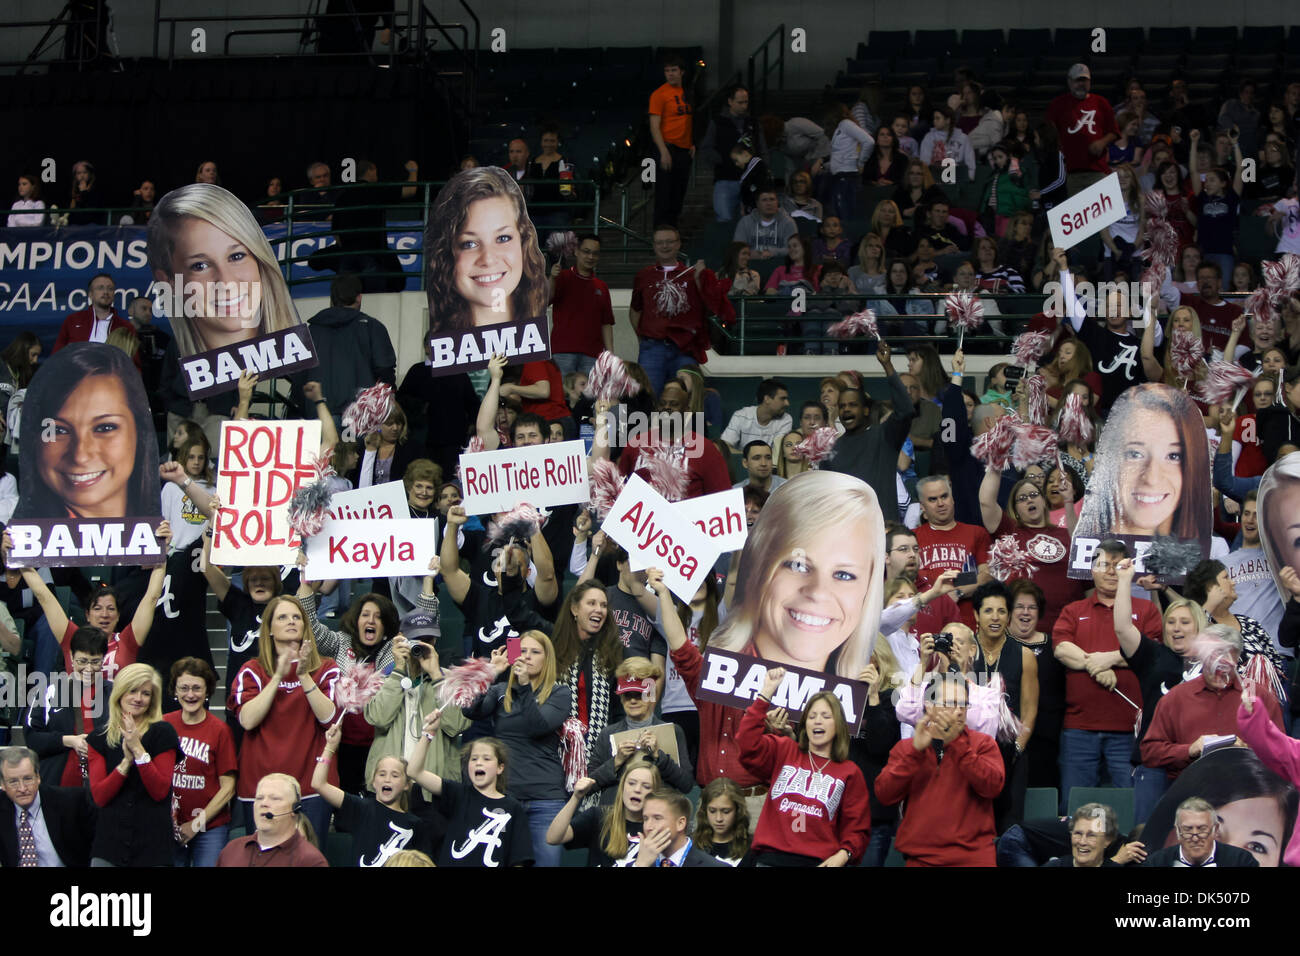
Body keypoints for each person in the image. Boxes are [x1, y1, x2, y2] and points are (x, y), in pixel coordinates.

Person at [706, 471, 885, 679]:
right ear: (760, 564)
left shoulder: (865, 695)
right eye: (798, 565)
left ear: (869, 588)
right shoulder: (711, 685)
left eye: (844, 575)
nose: (818, 592)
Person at [1053, 540, 1162, 810]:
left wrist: (1107, 660)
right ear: (1092, 569)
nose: (1111, 571)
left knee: (1131, 805)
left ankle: (1128, 853)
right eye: (1104, 564)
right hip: (1079, 729)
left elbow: (1151, 653)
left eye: (1119, 565)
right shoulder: (1073, 611)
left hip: (1129, 730)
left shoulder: (1146, 610)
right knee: (1076, 805)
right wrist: (1098, 666)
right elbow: (1062, 649)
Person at [147, 184, 307, 358]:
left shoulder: (306, 359)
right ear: (168, 281)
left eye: (236, 256)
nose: (226, 282)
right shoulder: (175, 370)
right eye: (200, 266)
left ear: (260, 259)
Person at [228, 595, 340, 840]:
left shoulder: (326, 668)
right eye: (283, 617)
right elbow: (247, 720)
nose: (291, 622)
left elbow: (330, 718)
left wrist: (303, 675)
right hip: (260, 786)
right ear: (268, 629)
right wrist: (278, 674)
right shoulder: (252, 670)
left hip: (312, 787)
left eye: (297, 617)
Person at [736, 668, 871, 866]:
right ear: (805, 724)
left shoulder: (849, 772)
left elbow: (857, 828)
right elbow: (746, 743)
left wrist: (844, 854)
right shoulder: (784, 750)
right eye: (812, 716)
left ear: (838, 725)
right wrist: (766, 694)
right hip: (770, 858)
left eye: (826, 716)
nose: (818, 720)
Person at [13, 342, 159, 523]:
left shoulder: (159, 533)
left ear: (140, 434)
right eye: (58, 430)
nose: (80, 455)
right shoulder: (20, 541)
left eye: (105, 428)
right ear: (35, 440)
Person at [463, 631, 571, 867]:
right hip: (504, 796)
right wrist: (490, 672)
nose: (528, 657)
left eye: (535, 652)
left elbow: (537, 726)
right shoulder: (501, 690)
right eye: (522, 651)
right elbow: (470, 710)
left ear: (547, 658)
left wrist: (524, 687)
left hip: (545, 800)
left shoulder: (559, 693)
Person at [875, 672, 1005, 865]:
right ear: (929, 705)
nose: (959, 711)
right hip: (921, 858)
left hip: (973, 857)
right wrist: (914, 752)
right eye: (951, 703)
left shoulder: (982, 744)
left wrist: (959, 745)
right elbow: (885, 794)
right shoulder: (908, 748)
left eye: (964, 704)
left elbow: (993, 786)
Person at [1141, 624, 1284, 781]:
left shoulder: (1258, 696)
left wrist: (1248, 750)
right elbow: (1149, 752)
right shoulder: (1176, 698)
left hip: (1246, 786)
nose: (1217, 670)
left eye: (1224, 661)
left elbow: (1281, 751)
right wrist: (1190, 750)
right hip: (1192, 788)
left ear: (1237, 658)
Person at [1074, 383, 1211, 541]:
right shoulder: (1078, 517)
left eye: (1173, 456)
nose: (1152, 478)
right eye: (1135, 454)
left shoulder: (1208, 548)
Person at [423, 166, 549, 334]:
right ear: (445, 254)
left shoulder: (539, 354)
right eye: (469, 244)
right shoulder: (443, 346)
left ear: (524, 242)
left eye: (503, 238)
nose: (488, 258)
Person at [364, 609, 469, 799]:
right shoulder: (383, 677)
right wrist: (397, 671)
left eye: (427, 640)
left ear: (435, 642)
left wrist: (437, 677)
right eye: (415, 639)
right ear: (401, 639)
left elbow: (456, 726)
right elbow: (378, 718)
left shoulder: (451, 680)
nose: (420, 646)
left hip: (433, 788)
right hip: (389, 788)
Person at [84, 663, 180, 867]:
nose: (138, 698)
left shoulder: (163, 733)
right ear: (119, 693)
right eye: (132, 691)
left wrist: (138, 750)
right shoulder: (99, 739)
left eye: (145, 693)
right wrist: (126, 763)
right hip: (109, 847)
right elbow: (100, 797)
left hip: (153, 848)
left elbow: (160, 790)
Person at [406, 721, 534, 867]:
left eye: (486, 758)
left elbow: (519, 859)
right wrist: (428, 734)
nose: (479, 763)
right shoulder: (457, 793)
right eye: (474, 759)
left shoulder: (513, 808)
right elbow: (414, 771)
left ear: (500, 767)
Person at [629, 224, 730, 395]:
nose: (665, 246)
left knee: (689, 398)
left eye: (669, 241)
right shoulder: (643, 275)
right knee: (648, 398)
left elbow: (710, 309)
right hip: (652, 349)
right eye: (660, 242)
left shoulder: (693, 274)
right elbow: (635, 311)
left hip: (684, 349)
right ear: (653, 246)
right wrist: (644, 339)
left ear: (678, 244)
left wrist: (701, 280)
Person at [312, 721, 431, 866]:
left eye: (395, 775)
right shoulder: (361, 807)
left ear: (406, 784)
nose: (387, 779)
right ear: (373, 782)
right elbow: (318, 784)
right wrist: (330, 747)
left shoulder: (415, 824)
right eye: (382, 774)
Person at [819, 343, 915, 515]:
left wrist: (888, 366)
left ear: (865, 410)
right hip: (850, 532)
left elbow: (906, 409)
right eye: (842, 406)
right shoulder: (831, 450)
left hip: (884, 528)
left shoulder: (885, 435)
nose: (846, 409)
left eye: (852, 405)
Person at [587, 657, 693, 803]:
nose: (633, 700)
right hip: (616, 817)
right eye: (627, 695)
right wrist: (616, 761)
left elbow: (686, 784)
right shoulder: (607, 734)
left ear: (651, 693)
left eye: (638, 694)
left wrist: (658, 755)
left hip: (657, 817)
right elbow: (588, 785)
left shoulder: (673, 731)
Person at [164, 658, 237, 867]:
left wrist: (196, 824)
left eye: (197, 688)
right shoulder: (164, 724)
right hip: (170, 825)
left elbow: (229, 787)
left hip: (210, 827)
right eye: (184, 688)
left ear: (207, 692)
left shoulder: (220, 730)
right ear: (175, 691)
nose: (190, 694)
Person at [293, 273, 395, 422]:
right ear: (359, 297)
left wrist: (307, 409)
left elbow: (298, 379)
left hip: (318, 415)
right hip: (361, 418)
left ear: (332, 299)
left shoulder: (310, 332)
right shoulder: (373, 327)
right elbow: (385, 373)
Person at [546, 756, 661, 866]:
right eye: (631, 783)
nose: (637, 790)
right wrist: (576, 797)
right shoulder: (598, 816)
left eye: (646, 786)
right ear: (622, 787)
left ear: (655, 793)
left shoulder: (659, 828)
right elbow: (553, 838)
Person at [0, 745, 96, 867]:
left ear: (38, 777)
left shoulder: (70, 802)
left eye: (28, 779)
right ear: (2, 784)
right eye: (13, 782)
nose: (22, 788)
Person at [215, 773, 327, 867]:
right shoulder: (232, 849)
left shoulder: (310, 860)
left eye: (275, 798)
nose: (263, 804)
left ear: (295, 808)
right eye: (259, 798)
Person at [1045, 64, 1119, 195]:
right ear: (1069, 81)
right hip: (1070, 172)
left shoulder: (1101, 102)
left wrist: (1102, 142)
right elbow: (1048, 131)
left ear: (1089, 81)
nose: (1081, 84)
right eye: (1077, 80)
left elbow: (1114, 131)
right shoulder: (1058, 104)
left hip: (1098, 170)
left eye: (1084, 80)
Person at [548, 235, 615, 375]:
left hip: (593, 354)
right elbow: (546, 300)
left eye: (595, 253)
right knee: (563, 395)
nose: (590, 256)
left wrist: (610, 354)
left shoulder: (602, 286)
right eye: (586, 251)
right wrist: (552, 278)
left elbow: (606, 323)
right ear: (576, 251)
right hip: (563, 351)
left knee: (589, 396)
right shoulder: (562, 277)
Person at [699, 84, 763, 222]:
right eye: (740, 102)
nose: (744, 106)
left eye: (746, 102)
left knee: (750, 221)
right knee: (724, 220)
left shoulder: (753, 123)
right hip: (726, 178)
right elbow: (706, 149)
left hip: (750, 179)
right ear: (730, 101)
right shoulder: (718, 122)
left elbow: (762, 148)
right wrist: (724, 160)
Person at [1144, 796, 1260, 867]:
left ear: (1216, 830)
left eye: (1202, 829)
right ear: (1178, 831)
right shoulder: (1157, 862)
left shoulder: (1241, 861)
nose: (1195, 838)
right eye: (1188, 829)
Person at [648, 54, 694, 227]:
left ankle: (672, 231)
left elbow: (689, 119)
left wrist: (692, 143)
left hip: (683, 149)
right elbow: (654, 126)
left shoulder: (687, 92)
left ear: (682, 72)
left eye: (674, 70)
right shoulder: (659, 94)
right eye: (667, 71)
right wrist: (663, 151)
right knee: (664, 195)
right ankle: (660, 231)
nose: (670, 74)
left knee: (678, 194)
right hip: (667, 147)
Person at [630, 789, 728, 867]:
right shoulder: (636, 864)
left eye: (657, 818)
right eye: (645, 819)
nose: (648, 827)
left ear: (680, 823)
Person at [52, 274, 134, 355]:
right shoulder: (73, 321)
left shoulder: (125, 327)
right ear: (90, 294)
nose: (106, 292)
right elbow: (57, 355)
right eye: (100, 288)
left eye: (110, 289)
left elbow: (133, 363)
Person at [720, 378, 792, 454]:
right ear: (767, 399)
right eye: (782, 399)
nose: (787, 403)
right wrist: (749, 459)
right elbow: (723, 447)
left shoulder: (786, 420)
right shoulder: (741, 416)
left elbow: (777, 454)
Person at [692, 776, 752, 865]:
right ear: (704, 811)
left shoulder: (751, 848)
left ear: (738, 810)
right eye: (712, 811)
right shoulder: (692, 846)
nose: (718, 818)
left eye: (726, 811)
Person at [733, 189, 799, 258]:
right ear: (757, 203)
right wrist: (753, 254)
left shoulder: (788, 222)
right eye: (764, 200)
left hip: (780, 264)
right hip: (751, 264)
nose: (769, 203)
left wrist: (772, 253)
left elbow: (794, 249)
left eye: (772, 199)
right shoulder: (745, 222)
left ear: (777, 202)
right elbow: (737, 248)